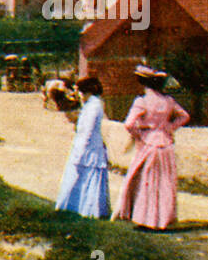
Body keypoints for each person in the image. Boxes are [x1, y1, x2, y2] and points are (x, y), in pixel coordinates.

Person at [114, 65, 191, 230]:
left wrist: (139, 135)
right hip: (166, 144)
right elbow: (184, 116)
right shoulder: (169, 101)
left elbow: (128, 124)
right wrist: (169, 127)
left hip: (149, 144)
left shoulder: (142, 101)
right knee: (164, 182)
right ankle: (161, 220)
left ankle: (146, 218)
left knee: (146, 181)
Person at [55, 76, 111, 219]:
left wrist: (81, 149)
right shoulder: (89, 104)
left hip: (90, 146)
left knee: (87, 176)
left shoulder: (95, 105)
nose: (79, 96)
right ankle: (72, 206)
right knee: (77, 175)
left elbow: (89, 129)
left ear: (87, 92)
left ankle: (90, 209)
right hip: (83, 144)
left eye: (80, 92)